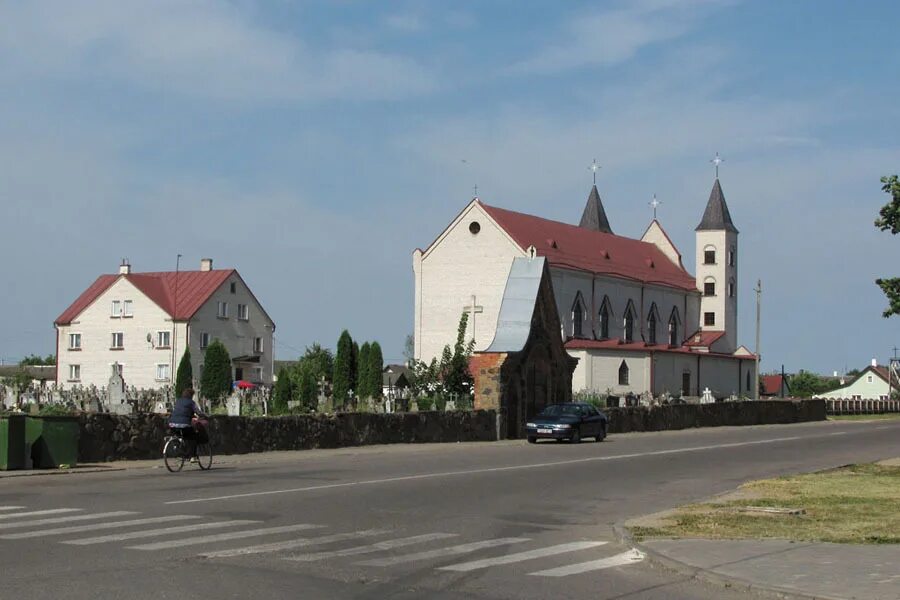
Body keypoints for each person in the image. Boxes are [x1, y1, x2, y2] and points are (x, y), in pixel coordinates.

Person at [169, 387, 206, 460]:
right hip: (184, 424)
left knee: (181, 437)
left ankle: (181, 453)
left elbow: (179, 411)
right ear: (191, 395)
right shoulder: (191, 403)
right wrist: (205, 415)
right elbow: (198, 412)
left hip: (172, 424)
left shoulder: (178, 401)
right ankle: (193, 456)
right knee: (193, 437)